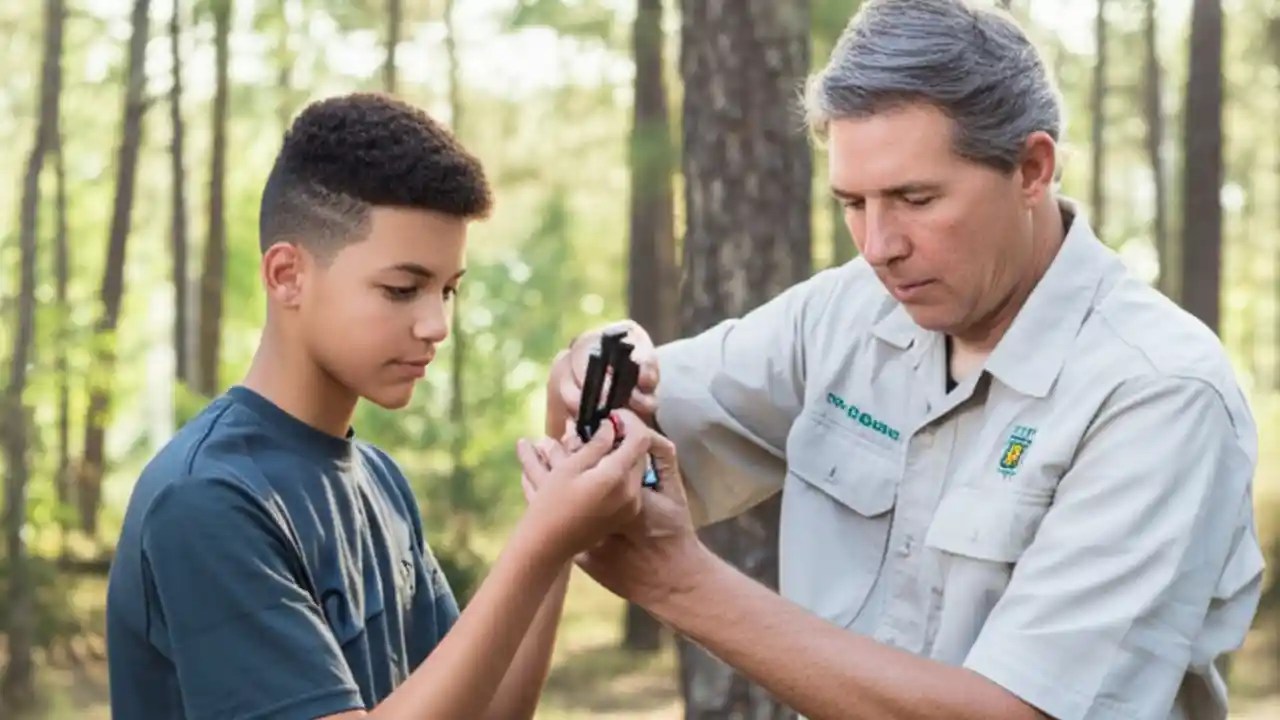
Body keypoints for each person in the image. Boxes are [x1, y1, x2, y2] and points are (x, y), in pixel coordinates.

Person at [540, 1, 1265, 718]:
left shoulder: (1157, 392)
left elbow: (1024, 713)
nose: (878, 245)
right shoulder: (846, 315)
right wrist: (589, 376)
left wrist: (681, 584)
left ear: (1032, 169)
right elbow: (607, 461)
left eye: (914, 198)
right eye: (852, 202)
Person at [105, 92, 656, 720]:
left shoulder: (379, 482)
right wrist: (539, 542)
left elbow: (491, 712)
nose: (437, 324)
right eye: (403, 289)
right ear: (287, 276)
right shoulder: (207, 499)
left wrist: (560, 503)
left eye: (448, 290)